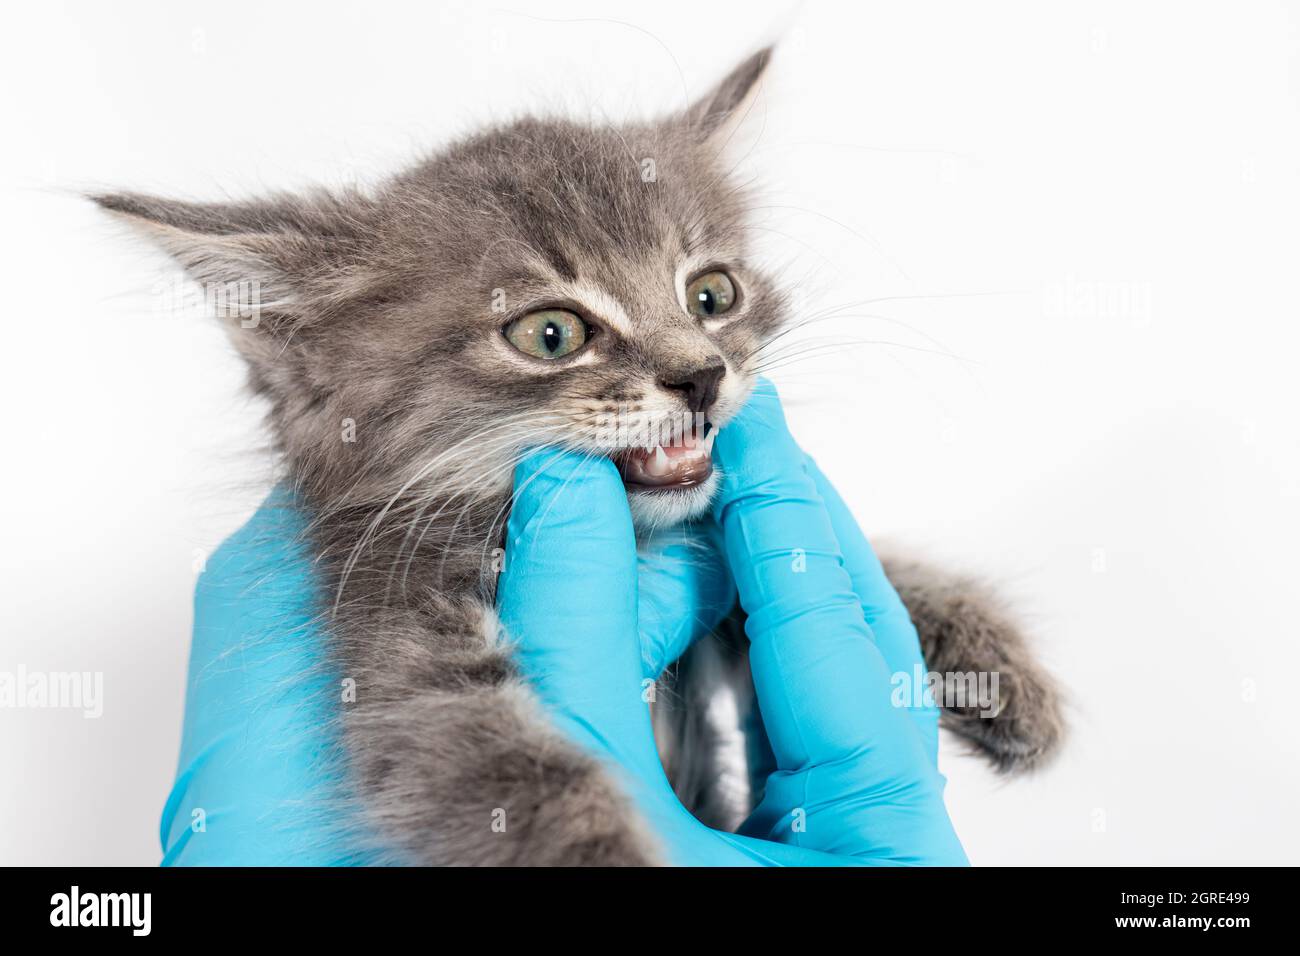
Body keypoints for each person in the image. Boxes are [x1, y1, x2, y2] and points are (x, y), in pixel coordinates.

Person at [162, 381, 967, 866]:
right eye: (554, 335)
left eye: (707, 297)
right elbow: (430, 740)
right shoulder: (400, 542)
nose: (691, 361)